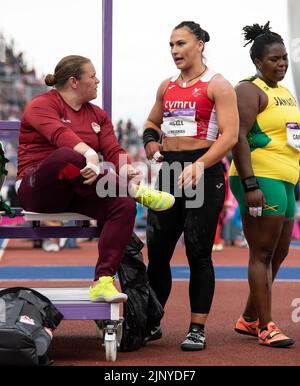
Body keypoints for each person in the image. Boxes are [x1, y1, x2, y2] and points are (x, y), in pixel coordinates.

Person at [16, 55, 175, 303]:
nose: (98, 80)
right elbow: (60, 135)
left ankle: (103, 281)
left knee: (122, 204)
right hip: (37, 189)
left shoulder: (98, 116)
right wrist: (89, 154)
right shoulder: (41, 105)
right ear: (74, 82)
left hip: (76, 190)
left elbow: (113, 150)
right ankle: (134, 190)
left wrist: (127, 169)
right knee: (67, 157)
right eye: (92, 76)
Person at [143, 21, 239, 351]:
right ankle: (152, 321)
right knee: (156, 255)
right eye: (170, 45)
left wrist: (200, 165)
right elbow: (151, 123)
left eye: (180, 43)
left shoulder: (218, 85)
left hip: (204, 170)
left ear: (199, 44)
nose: (174, 51)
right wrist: (151, 143)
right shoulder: (166, 86)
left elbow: (230, 136)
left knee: (199, 254)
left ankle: (197, 328)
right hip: (169, 171)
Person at [229, 22, 299, 347]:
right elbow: (237, 137)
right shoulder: (248, 89)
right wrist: (250, 183)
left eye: (284, 58)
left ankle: (249, 317)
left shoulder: (284, 92)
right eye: (275, 59)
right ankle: (266, 327)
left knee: (280, 251)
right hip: (259, 176)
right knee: (261, 252)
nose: (282, 64)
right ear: (258, 62)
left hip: (286, 177)